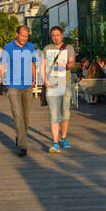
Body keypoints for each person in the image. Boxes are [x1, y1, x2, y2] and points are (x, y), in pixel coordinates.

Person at [0, 24, 38, 157]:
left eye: (27, 36)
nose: (24, 38)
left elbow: (32, 63)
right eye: (22, 36)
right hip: (13, 86)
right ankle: (22, 146)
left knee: (26, 117)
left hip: (27, 86)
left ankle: (20, 136)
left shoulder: (31, 47)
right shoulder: (7, 47)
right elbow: (2, 66)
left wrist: (34, 79)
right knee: (17, 115)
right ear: (17, 34)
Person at [43, 25, 76, 153]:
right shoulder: (47, 49)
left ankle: (64, 137)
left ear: (62, 35)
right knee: (54, 113)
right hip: (52, 84)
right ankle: (55, 142)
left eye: (57, 35)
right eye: (53, 35)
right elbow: (43, 66)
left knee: (65, 112)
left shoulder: (69, 48)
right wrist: (44, 80)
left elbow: (72, 62)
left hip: (65, 84)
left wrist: (65, 65)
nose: (55, 38)